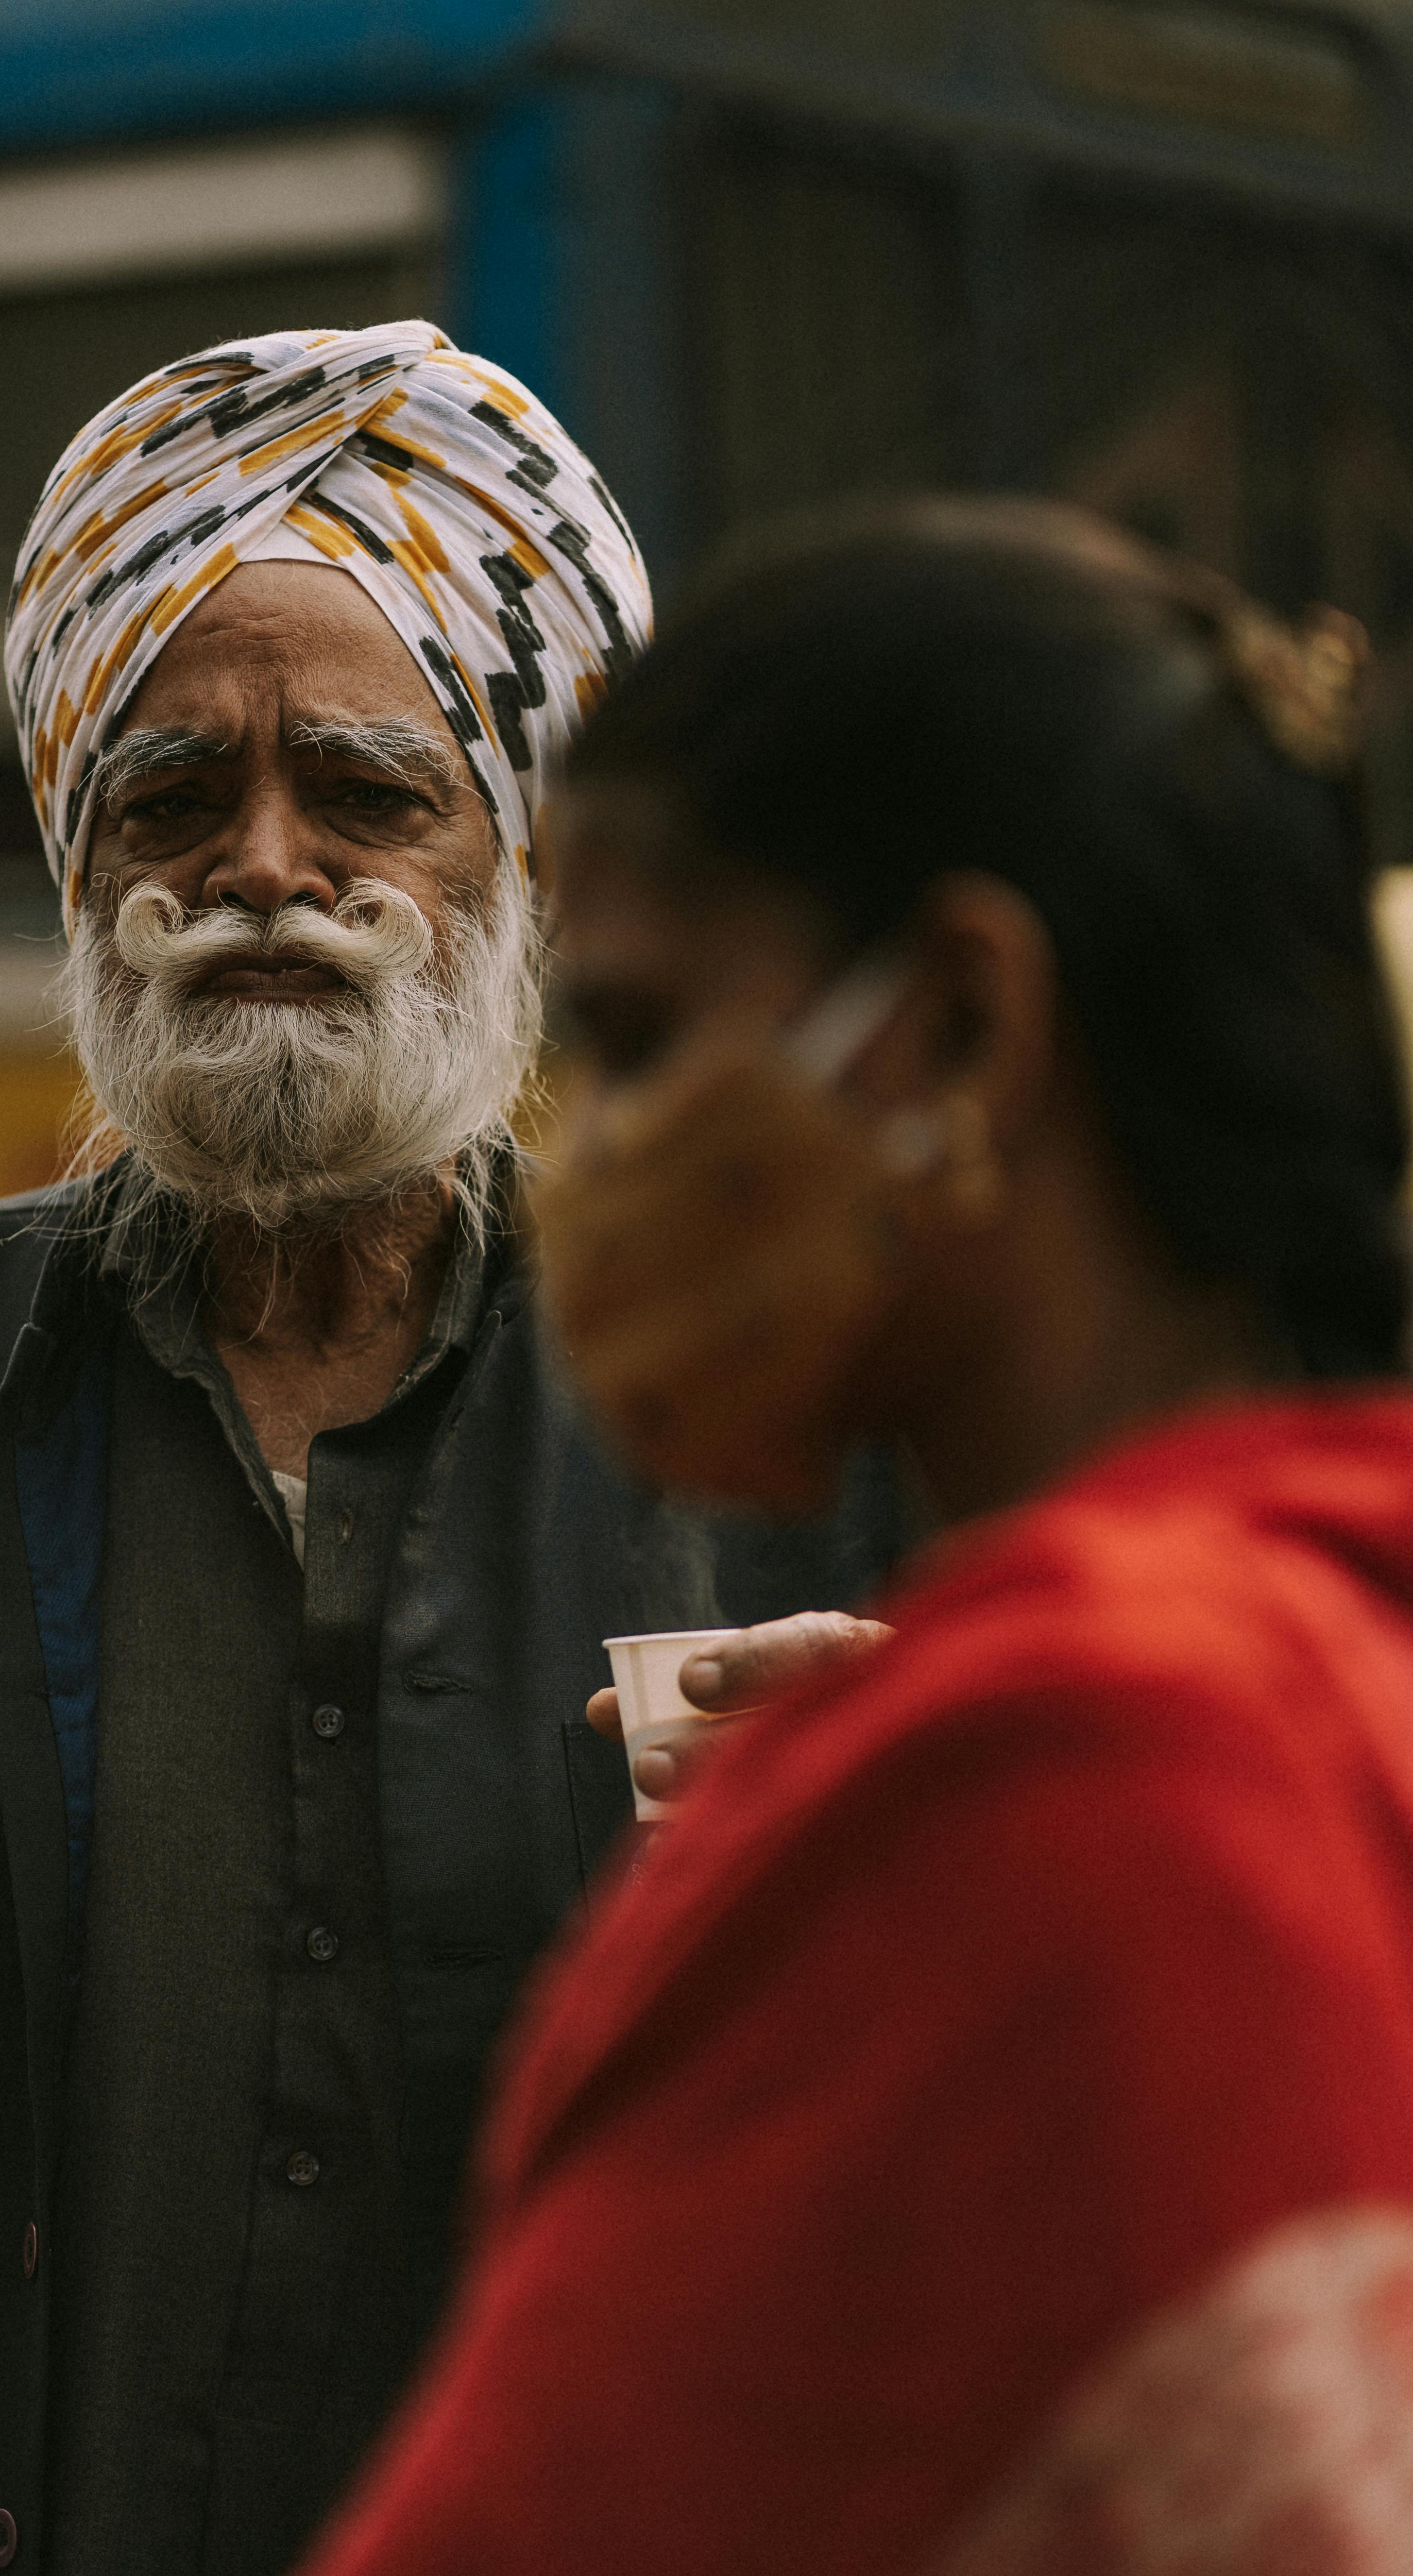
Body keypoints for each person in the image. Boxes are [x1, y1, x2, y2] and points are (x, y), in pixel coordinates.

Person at [0, 324, 901, 2576]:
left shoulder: (757, 1408)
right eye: (171, 800)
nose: (265, 869)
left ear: (515, 862)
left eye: (363, 792)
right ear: (81, 871)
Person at [294, 497, 1413, 2576]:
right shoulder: (1342, 1640)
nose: (592, 1157)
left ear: (967, 1028)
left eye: (632, 1037)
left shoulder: (1042, 1765)